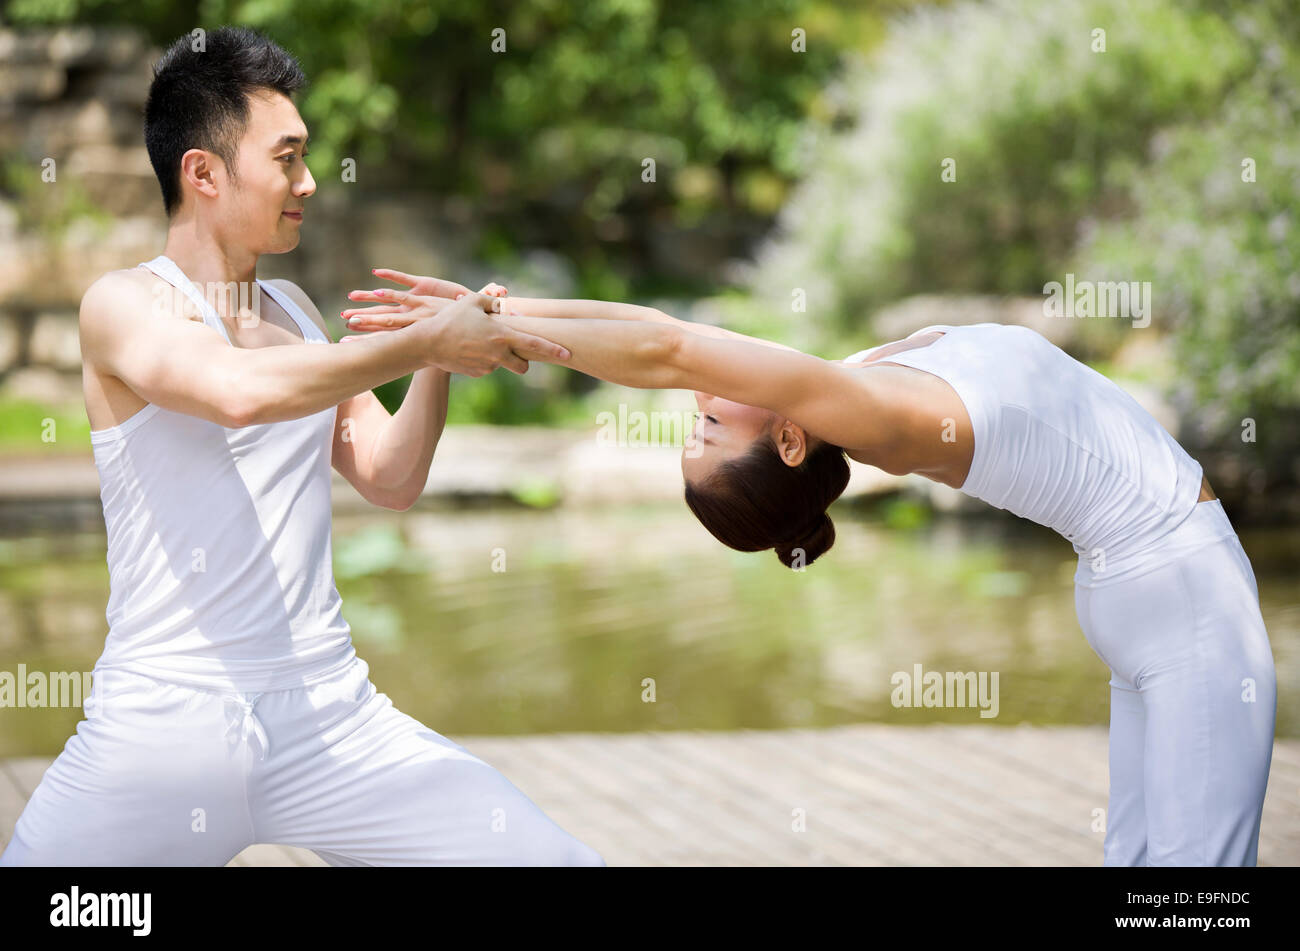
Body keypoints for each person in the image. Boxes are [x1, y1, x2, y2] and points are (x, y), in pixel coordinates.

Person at [340, 275, 1277, 867]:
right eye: (708, 428)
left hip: (1139, 593)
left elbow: (656, 326)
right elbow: (669, 352)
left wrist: (488, 311)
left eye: (697, 421)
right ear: (788, 440)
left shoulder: (847, 388)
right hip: (1183, 592)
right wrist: (449, 338)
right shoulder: (874, 411)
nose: (699, 403)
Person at [0, 27, 602, 867]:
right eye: (287, 158)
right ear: (203, 173)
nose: (309, 182)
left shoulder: (294, 312)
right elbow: (236, 395)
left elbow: (389, 479)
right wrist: (422, 345)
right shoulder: (123, 304)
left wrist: (438, 358)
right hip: (167, 727)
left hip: (329, 716)